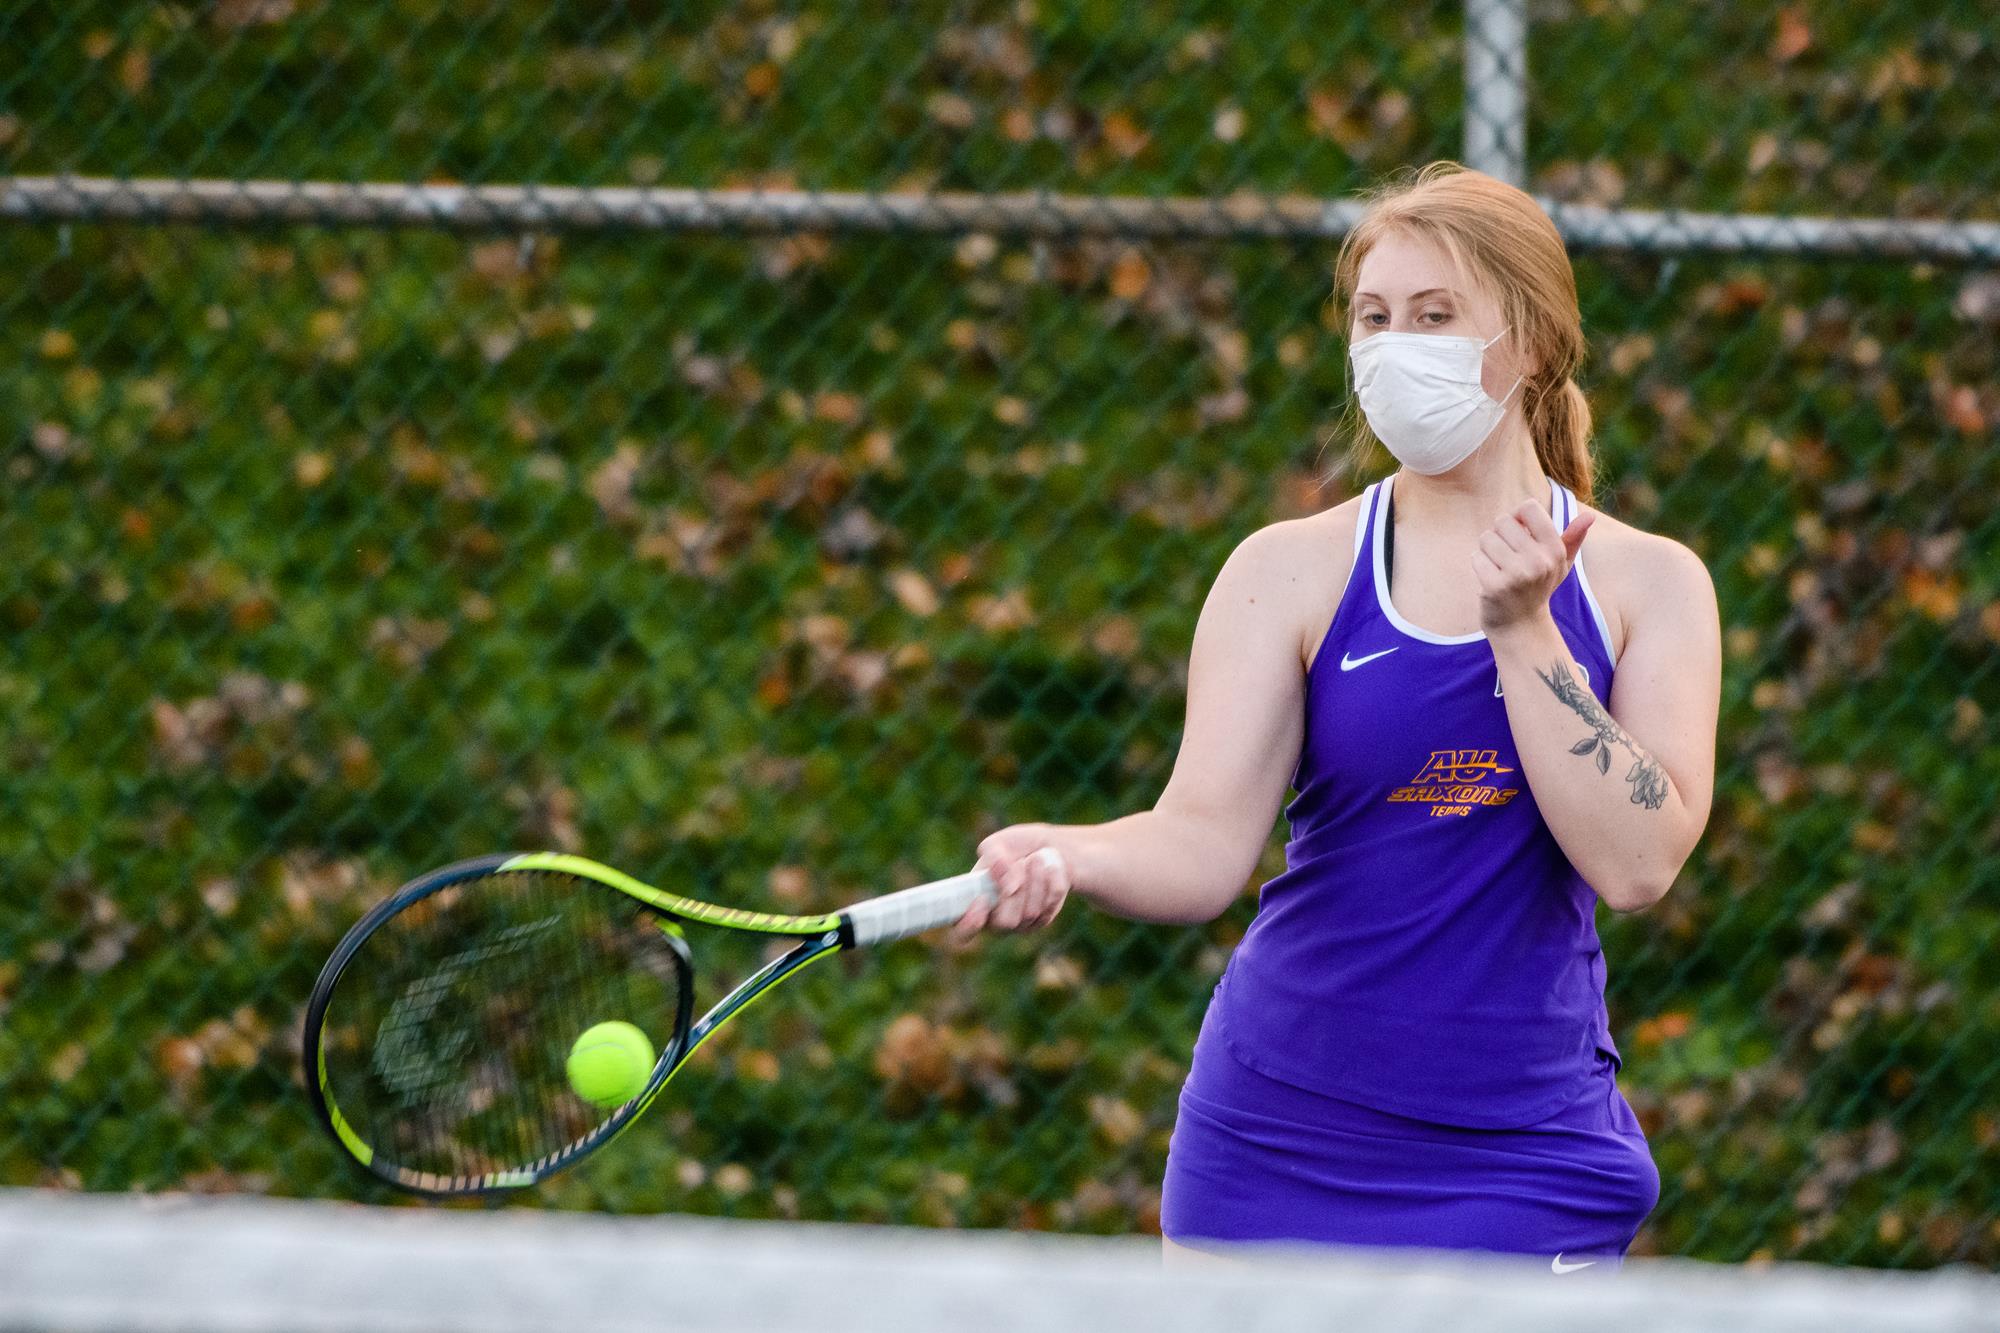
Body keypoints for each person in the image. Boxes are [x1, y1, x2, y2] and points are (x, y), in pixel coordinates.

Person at [953, 161, 1721, 1270]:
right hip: (1271, 1136)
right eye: (1373, 317)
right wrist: (1065, 853)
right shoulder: (1286, 570)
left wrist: (1524, 631)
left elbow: (1640, 860)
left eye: (1434, 315)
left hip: (1523, 1156)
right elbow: (1199, 843)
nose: (1394, 347)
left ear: (1533, 343)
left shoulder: (1651, 585)